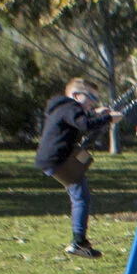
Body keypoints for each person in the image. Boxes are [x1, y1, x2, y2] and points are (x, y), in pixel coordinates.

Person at [35, 78, 115, 259]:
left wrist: (96, 113)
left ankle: (80, 241)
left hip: (50, 159)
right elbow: (84, 124)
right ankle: (78, 242)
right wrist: (108, 118)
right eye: (91, 97)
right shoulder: (71, 107)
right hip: (57, 159)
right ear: (76, 95)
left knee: (79, 194)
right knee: (81, 197)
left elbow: (79, 119)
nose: (93, 101)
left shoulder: (63, 107)